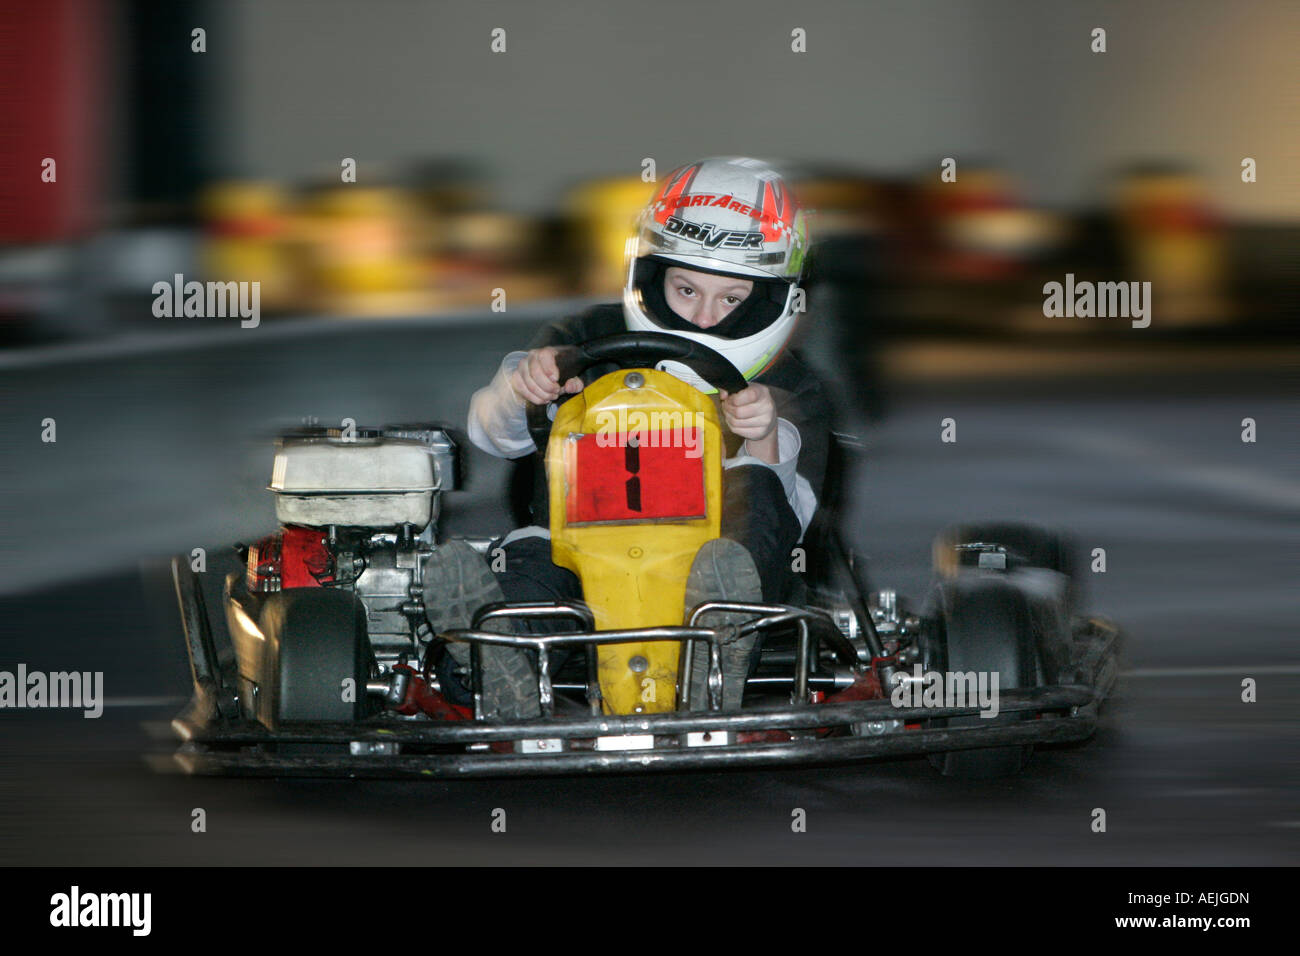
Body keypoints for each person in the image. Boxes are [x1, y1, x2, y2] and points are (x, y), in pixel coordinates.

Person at [425, 157, 833, 717]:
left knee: (756, 489)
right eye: (686, 289)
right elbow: (490, 436)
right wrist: (524, 386)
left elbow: (796, 515)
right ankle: (501, 661)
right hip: (578, 566)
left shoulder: (788, 384)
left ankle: (718, 643)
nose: (706, 318)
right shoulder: (584, 337)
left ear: (771, 300)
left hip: (709, 573)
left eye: (732, 299)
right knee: (527, 558)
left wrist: (762, 437)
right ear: (649, 275)